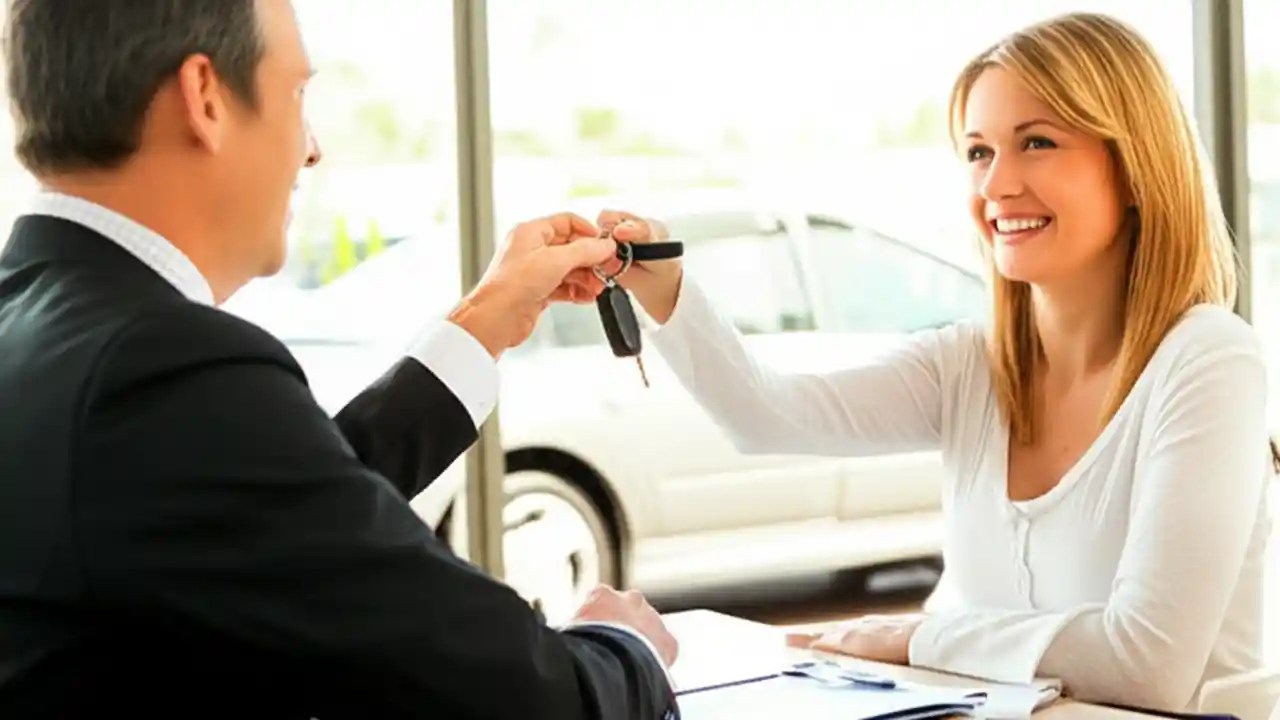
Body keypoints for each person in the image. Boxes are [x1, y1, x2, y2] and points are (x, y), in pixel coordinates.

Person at [0, 1, 679, 718]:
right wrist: (621, 646)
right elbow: (522, 696)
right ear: (205, 98)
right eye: (297, 95)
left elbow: (277, 523)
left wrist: (481, 327)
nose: (312, 147)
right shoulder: (159, 367)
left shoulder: (38, 323)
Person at [602, 11, 1273, 714]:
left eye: (1037, 142)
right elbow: (764, 417)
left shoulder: (1207, 362)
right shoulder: (969, 365)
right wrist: (663, 283)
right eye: (979, 152)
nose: (997, 185)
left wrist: (922, 637)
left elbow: (1147, 665)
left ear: (1137, 169)